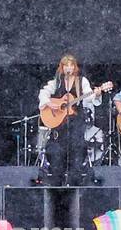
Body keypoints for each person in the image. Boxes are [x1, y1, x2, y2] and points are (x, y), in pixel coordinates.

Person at [38, 54, 113, 186]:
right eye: (66, 65)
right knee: (57, 157)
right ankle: (56, 187)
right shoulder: (57, 81)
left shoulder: (81, 81)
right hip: (59, 126)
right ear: (62, 67)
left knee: (77, 155)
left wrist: (98, 93)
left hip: (76, 123)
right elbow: (43, 93)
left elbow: (88, 96)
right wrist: (50, 104)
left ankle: (74, 187)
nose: (69, 68)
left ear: (75, 67)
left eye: (71, 65)